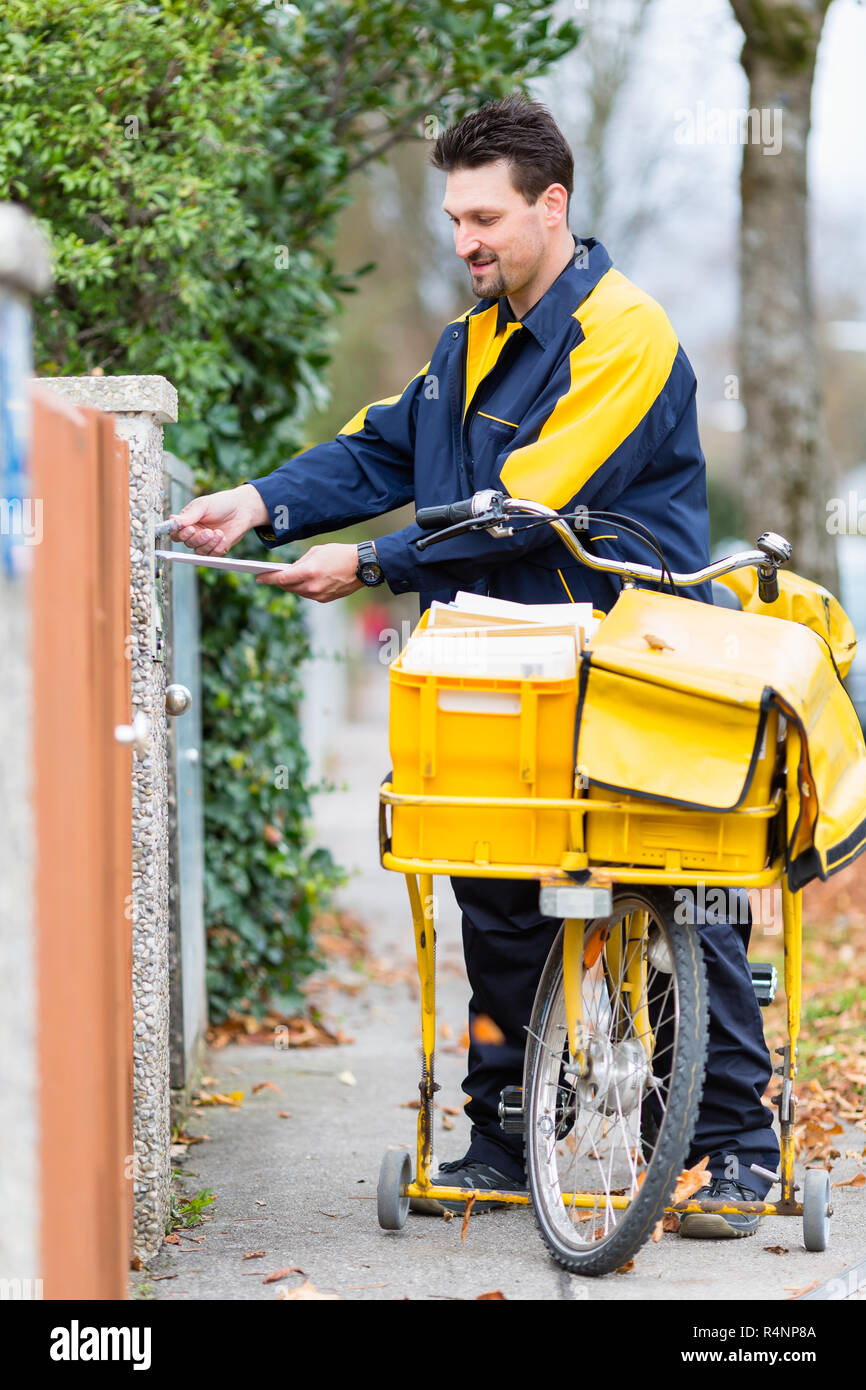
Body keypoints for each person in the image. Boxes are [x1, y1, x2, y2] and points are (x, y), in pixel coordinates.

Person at [172, 94, 780, 1238]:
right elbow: (379, 447)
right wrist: (259, 504)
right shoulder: (469, 343)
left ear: (552, 206)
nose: (465, 242)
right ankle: (505, 1134)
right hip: (507, 664)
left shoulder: (627, 332)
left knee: (674, 890)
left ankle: (728, 1148)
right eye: (455, 218)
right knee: (495, 901)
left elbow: (526, 504)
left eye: (485, 217)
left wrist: (371, 565)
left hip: (632, 662)